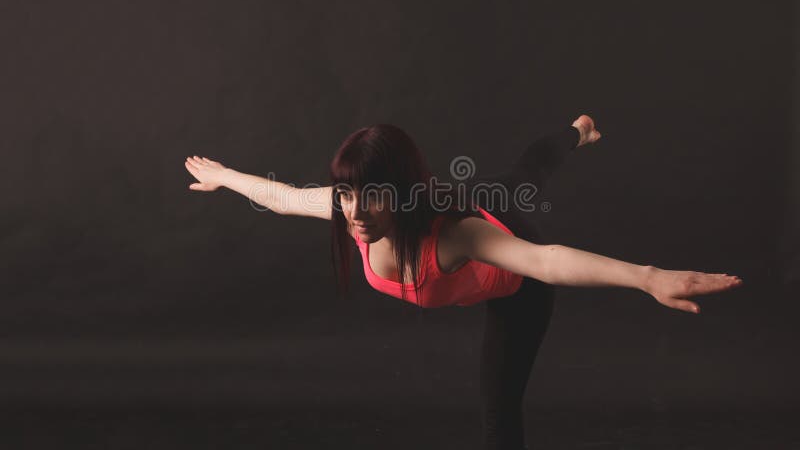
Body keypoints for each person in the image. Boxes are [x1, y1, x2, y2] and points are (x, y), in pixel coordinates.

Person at [184, 115, 743, 450]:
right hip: (461, 205)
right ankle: (579, 131)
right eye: (347, 194)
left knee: (498, 404)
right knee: (518, 173)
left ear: (401, 193)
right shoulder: (351, 209)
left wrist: (648, 278)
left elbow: (546, 262)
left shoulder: (455, 236)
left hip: (513, 274)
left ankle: (575, 132)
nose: (354, 212)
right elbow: (281, 199)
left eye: (371, 195)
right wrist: (223, 176)